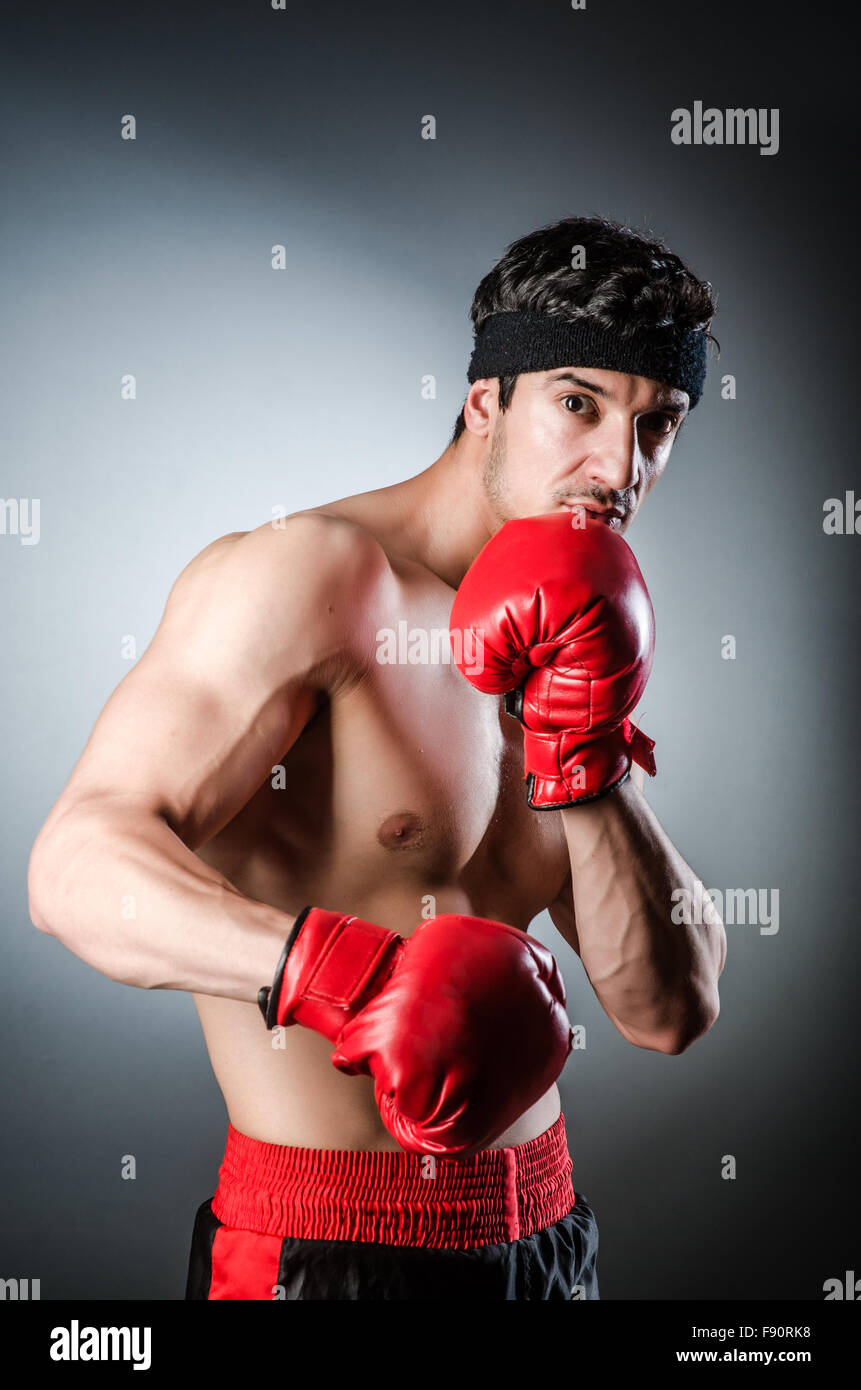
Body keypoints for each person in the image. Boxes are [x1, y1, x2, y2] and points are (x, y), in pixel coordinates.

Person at [28, 213, 727, 1301]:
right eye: (578, 404)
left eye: (657, 425)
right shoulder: (311, 580)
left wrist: (584, 749)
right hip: (327, 1251)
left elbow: (667, 1011)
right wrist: (340, 976)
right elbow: (74, 869)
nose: (616, 468)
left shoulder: (578, 622)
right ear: (486, 400)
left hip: (549, 1239)